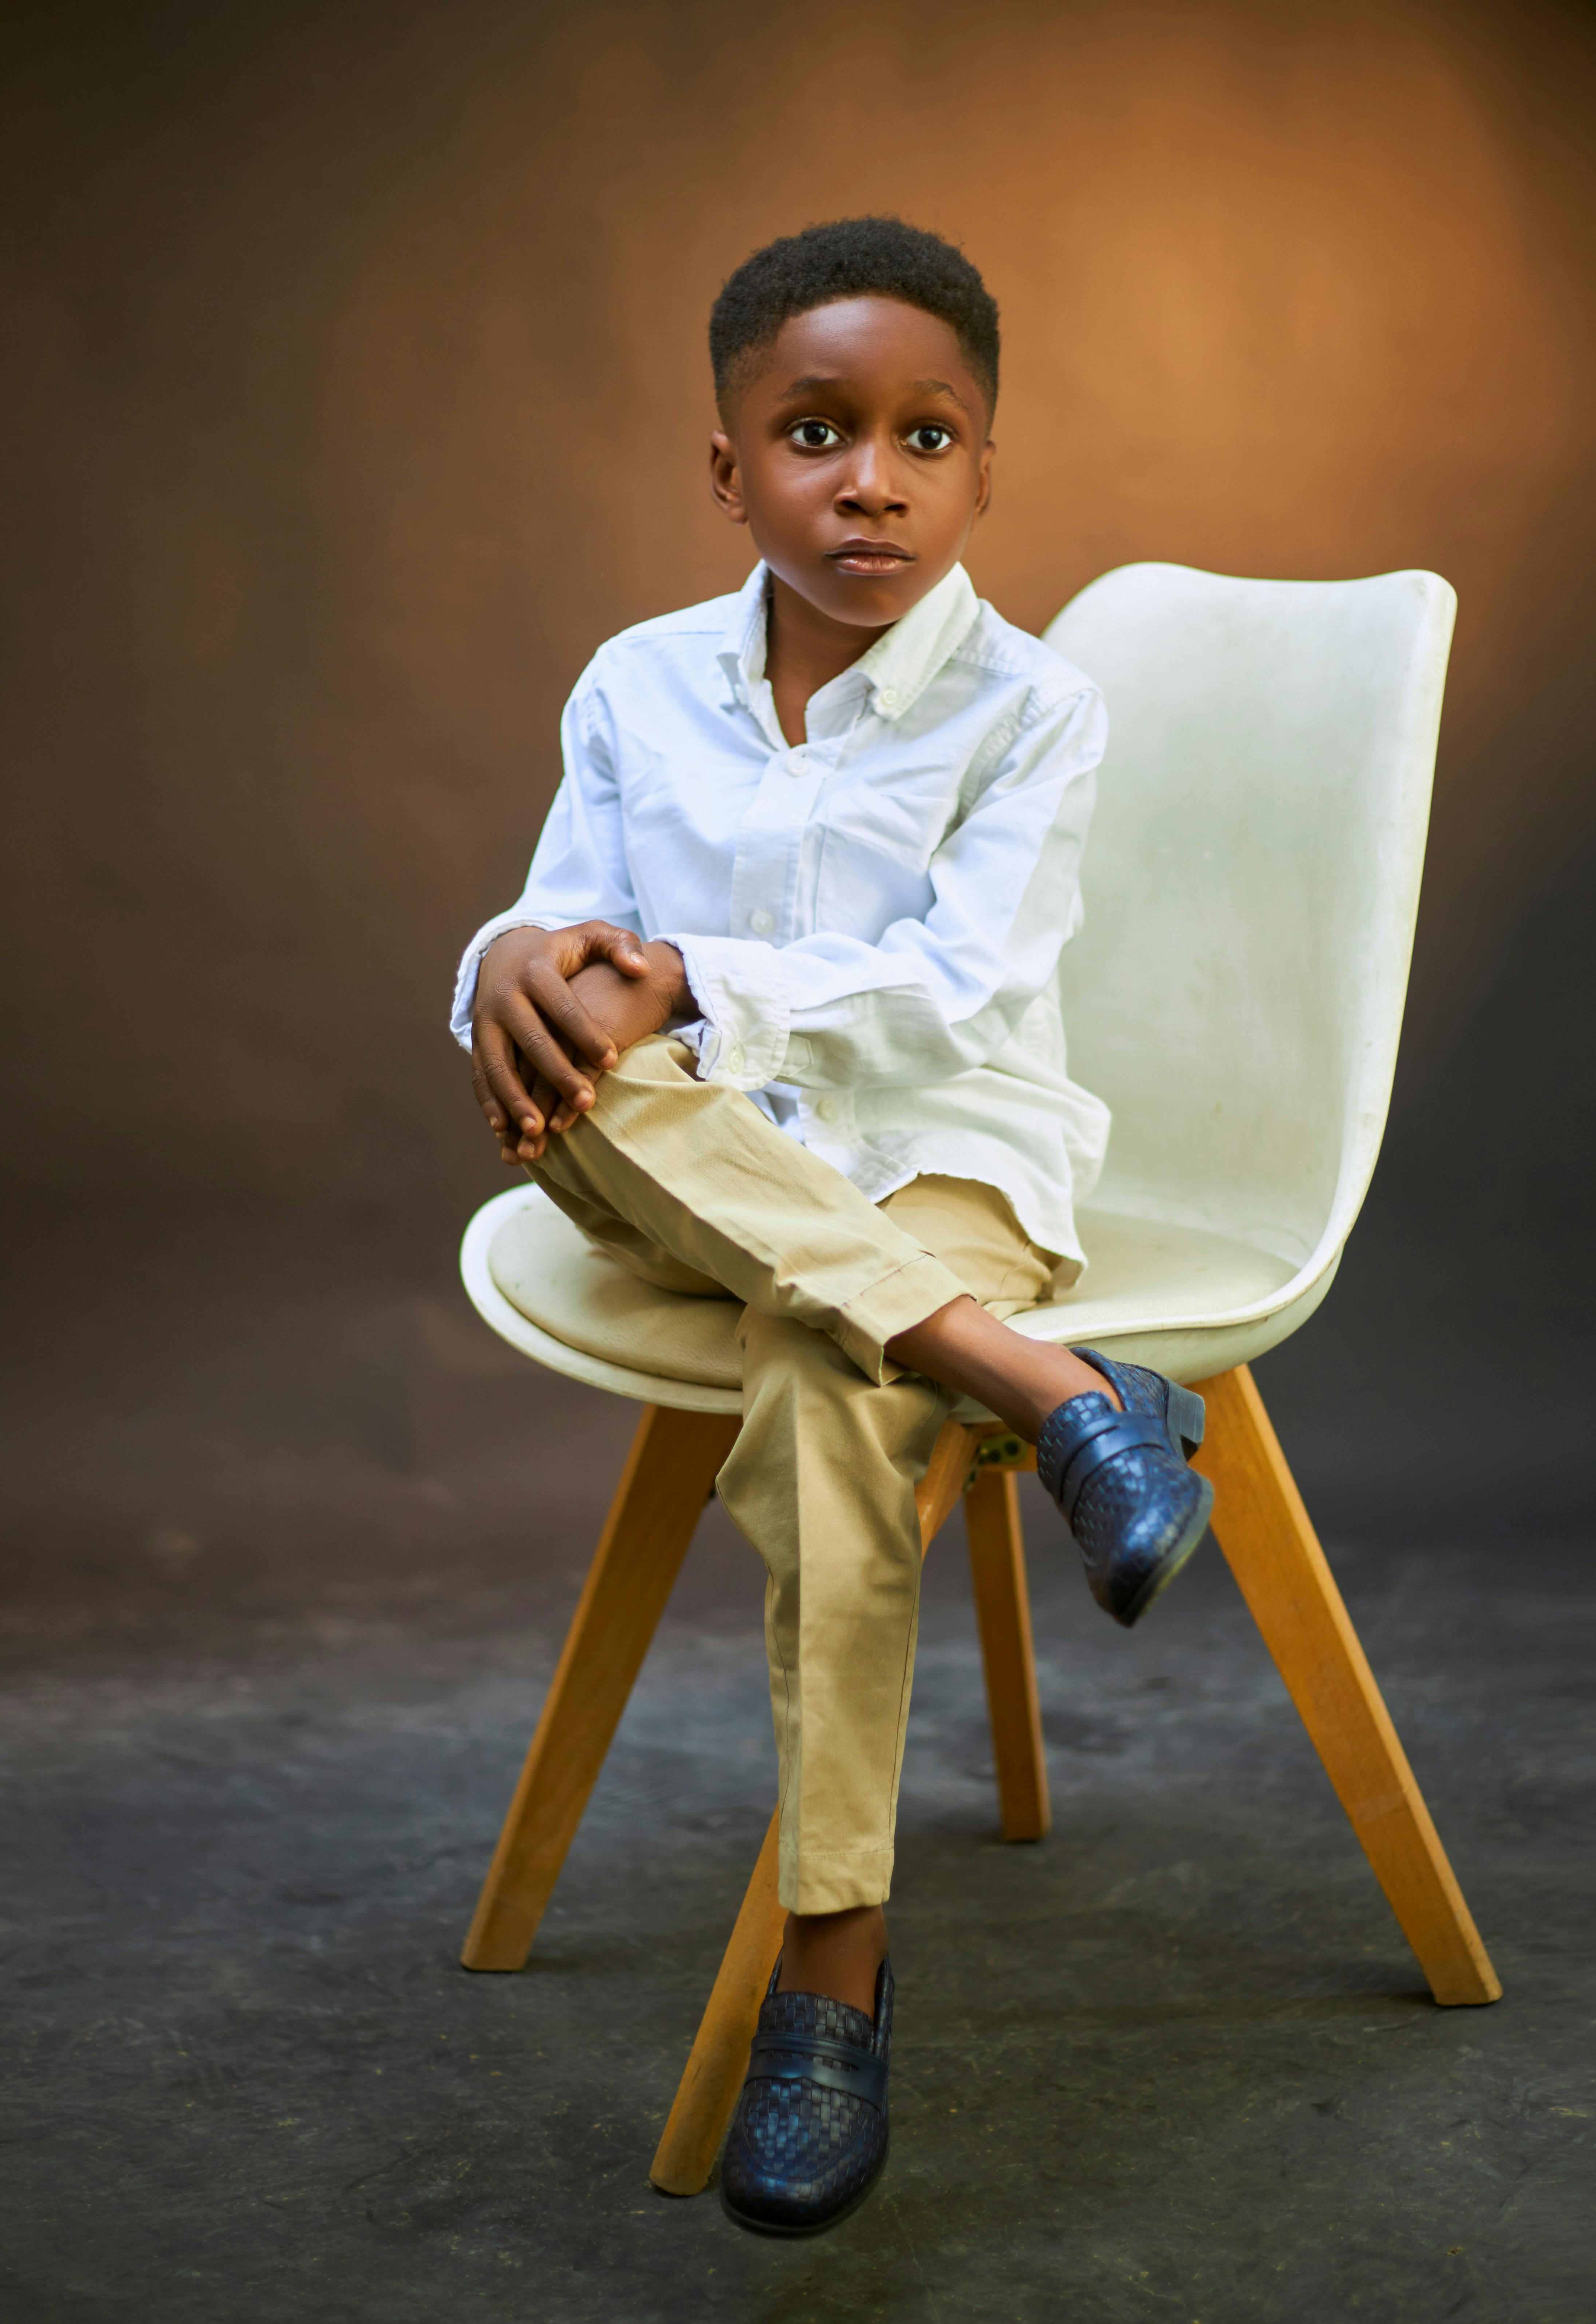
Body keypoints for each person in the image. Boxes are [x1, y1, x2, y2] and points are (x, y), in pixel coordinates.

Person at [451, 217, 1213, 2237]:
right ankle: (1045, 1392)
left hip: (951, 1146)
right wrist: (525, 967)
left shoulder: (1032, 709)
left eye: (923, 437)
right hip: (698, 1150)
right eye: (813, 431)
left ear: (981, 469)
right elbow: (547, 916)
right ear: (729, 469)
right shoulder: (635, 684)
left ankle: (833, 1965)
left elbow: (959, 991)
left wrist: (678, 974)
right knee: (570, 1063)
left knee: (824, 1383)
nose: (869, 476)